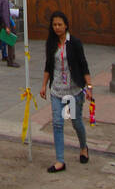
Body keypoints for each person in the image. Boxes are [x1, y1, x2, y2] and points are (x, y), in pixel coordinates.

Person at [40, 10, 93, 171]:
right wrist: (43, 85)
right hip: (57, 90)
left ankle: (83, 147)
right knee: (57, 123)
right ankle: (60, 160)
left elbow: (84, 65)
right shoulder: (51, 44)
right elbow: (48, 66)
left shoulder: (75, 43)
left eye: (60, 25)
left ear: (66, 25)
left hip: (74, 90)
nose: (57, 28)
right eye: (54, 25)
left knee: (76, 123)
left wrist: (89, 88)